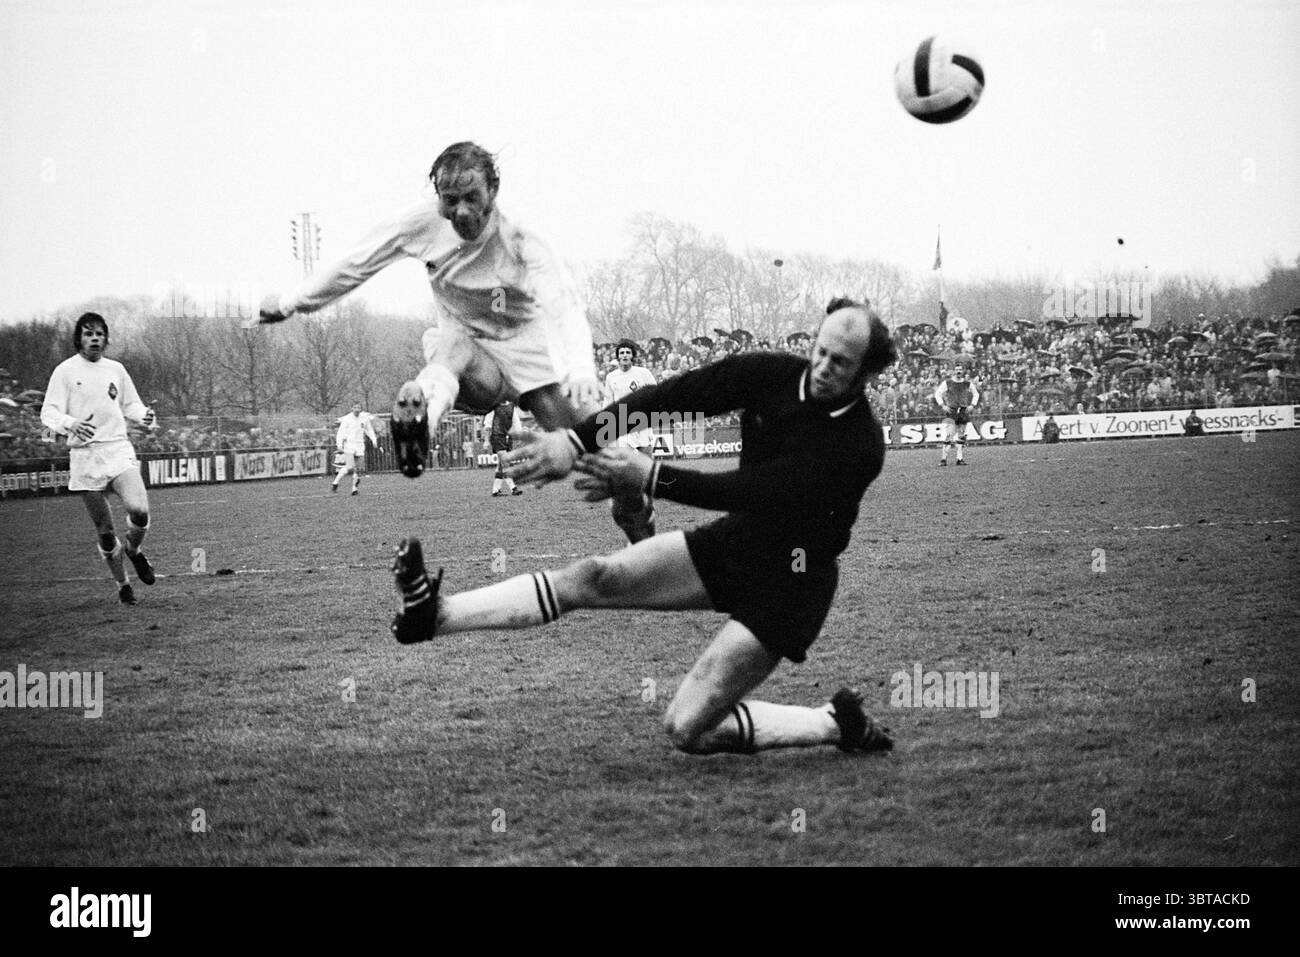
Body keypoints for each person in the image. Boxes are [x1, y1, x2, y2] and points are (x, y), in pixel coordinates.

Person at [387, 298, 898, 757]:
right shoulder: (772, 374)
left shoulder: (859, 445)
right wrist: (578, 441)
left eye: (841, 362)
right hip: (739, 542)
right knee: (593, 576)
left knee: (687, 730)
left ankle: (831, 724)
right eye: (821, 350)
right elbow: (668, 398)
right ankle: (435, 614)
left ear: (866, 373)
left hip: (791, 584)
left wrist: (651, 475)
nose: (824, 366)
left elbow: (754, 490)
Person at [251, 141, 600, 479]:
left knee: (605, 449)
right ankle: (420, 430)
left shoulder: (521, 237)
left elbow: (562, 304)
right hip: (474, 359)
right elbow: (356, 264)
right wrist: (289, 303)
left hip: (532, 356)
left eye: (471, 198)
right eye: (450, 201)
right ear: (438, 199)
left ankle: (637, 517)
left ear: (493, 190)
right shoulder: (420, 224)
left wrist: (581, 368)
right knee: (451, 345)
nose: (461, 211)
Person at [40, 313, 157, 605]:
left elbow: (131, 404)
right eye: (88, 333)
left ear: (106, 338)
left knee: (139, 510)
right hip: (85, 456)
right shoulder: (65, 371)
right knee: (105, 532)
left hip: (117, 448)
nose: (94, 338)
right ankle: (123, 584)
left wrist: (145, 416)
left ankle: (133, 549)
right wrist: (70, 423)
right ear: (79, 338)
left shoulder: (116, 369)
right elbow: (49, 413)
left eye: (99, 333)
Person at [601, 339, 658, 542]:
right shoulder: (611, 377)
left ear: (633, 355)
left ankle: (648, 503)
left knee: (647, 465)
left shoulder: (643, 374)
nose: (624, 355)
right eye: (621, 353)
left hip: (642, 423)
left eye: (627, 352)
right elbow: (607, 403)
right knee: (623, 463)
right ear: (617, 357)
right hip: (622, 425)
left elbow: (656, 394)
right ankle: (627, 505)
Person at [934, 367, 980, 466]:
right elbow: (937, 394)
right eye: (956, 369)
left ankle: (960, 459)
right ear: (953, 371)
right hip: (951, 410)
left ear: (962, 371)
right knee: (949, 434)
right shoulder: (947, 383)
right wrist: (943, 405)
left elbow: (976, 394)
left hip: (963, 410)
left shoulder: (967, 383)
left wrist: (972, 405)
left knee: (961, 434)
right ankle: (943, 459)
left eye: (960, 369)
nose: (958, 371)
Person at [333, 402, 378, 495]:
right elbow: (340, 432)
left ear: (360, 409)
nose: (357, 409)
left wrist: (374, 440)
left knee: (359, 469)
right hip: (349, 444)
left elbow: (369, 430)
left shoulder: (364, 418)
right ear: (351, 408)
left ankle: (354, 489)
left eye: (358, 407)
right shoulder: (347, 419)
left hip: (360, 445)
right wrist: (339, 445)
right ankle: (335, 482)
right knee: (350, 466)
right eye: (355, 407)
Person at [485, 400, 523, 496]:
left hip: (507, 436)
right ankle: (513, 488)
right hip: (497, 436)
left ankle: (495, 490)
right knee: (505, 461)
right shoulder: (493, 406)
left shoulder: (512, 406)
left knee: (501, 464)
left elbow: (516, 422)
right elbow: (487, 425)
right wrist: (486, 440)